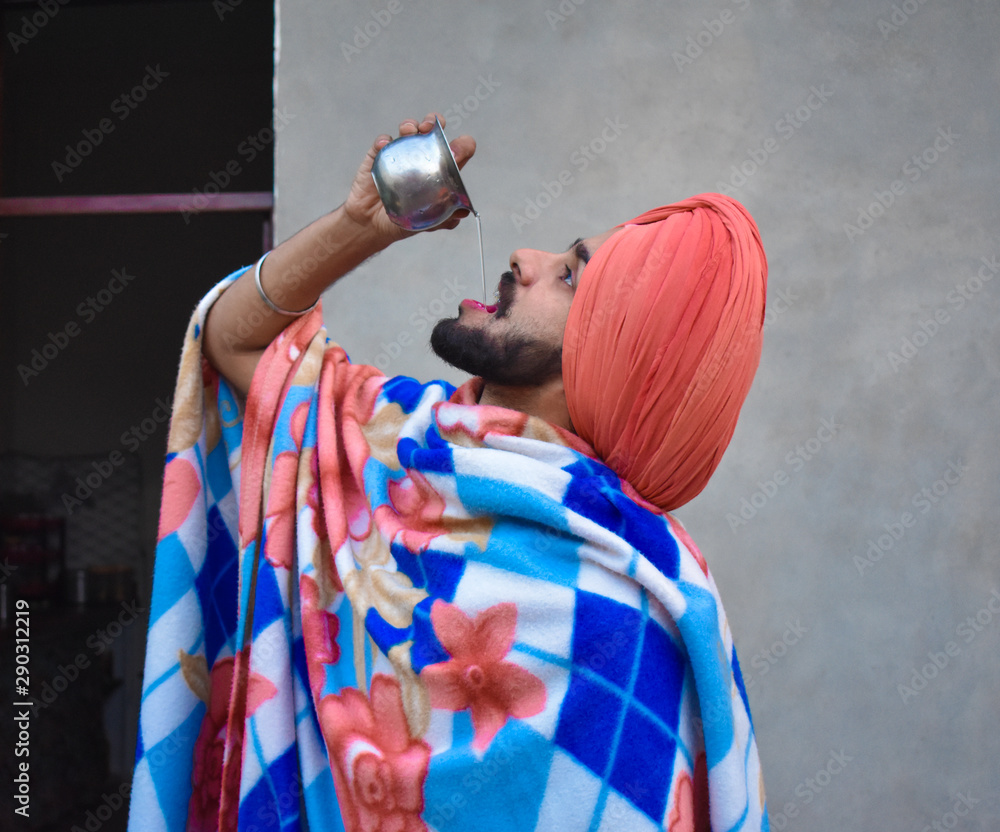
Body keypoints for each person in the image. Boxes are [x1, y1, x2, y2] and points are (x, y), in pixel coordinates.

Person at [128, 114, 768, 832]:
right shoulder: (399, 439)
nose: (524, 256)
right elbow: (232, 339)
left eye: (568, 274)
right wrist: (361, 227)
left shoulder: (635, 610)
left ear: (612, 355)